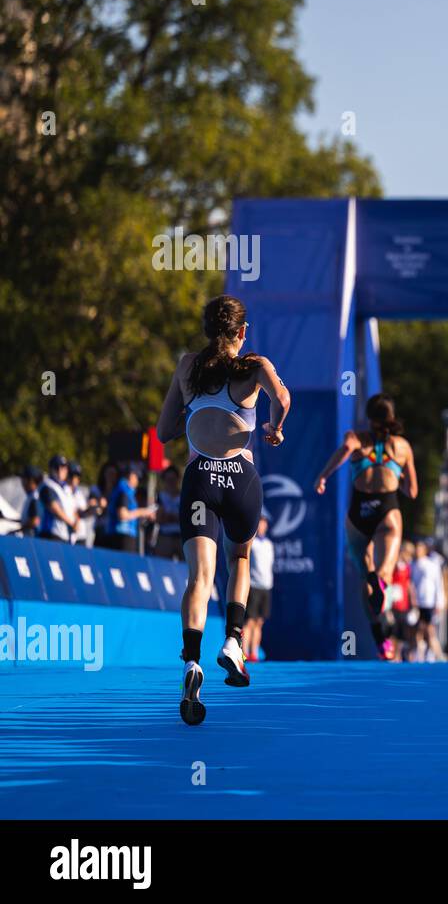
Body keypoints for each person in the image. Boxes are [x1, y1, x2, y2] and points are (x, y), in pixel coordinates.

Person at [156, 294, 291, 726]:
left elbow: (163, 432)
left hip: (199, 478)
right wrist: (273, 427)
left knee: (199, 577)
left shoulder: (187, 366)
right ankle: (234, 641)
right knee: (240, 560)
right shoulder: (253, 366)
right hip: (240, 479)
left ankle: (191, 663)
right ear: (242, 332)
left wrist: (196, 415)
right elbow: (284, 399)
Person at [314, 393, 418, 659]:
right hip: (388, 512)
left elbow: (345, 452)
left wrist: (323, 476)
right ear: (392, 417)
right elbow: (412, 492)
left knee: (366, 577)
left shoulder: (356, 438)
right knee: (384, 574)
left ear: (369, 418)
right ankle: (381, 585)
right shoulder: (402, 447)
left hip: (359, 514)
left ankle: (379, 637)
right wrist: (399, 473)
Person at [411, 541, 448, 662]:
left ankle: (438, 655)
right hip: (417, 603)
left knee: (429, 630)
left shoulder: (432, 565)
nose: (417, 551)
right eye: (415, 548)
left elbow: (438, 583)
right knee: (418, 631)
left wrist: (439, 601)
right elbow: (412, 584)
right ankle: (420, 657)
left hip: (429, 602)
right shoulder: (412, 565)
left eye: (419, 548)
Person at [245, 513, 274, 662]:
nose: (262, 525)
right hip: (254, 586)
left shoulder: (269, 544)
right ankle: (244, 653)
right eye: (260, 523)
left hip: (266, 587)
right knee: (249, 621)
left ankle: (254, 654)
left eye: (264, 523)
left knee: (259, 622)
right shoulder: (252, 543)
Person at [37, 455, 80, 543]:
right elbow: (54, 508)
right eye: (57, 467)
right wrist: (71, 523)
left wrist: (76, 522)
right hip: (50, 534)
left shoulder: (66, 489)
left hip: (65, 536)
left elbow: (74, 510)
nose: (61, 470)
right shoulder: (47, 485)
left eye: (64, 467)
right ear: (51, 468)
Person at [152, 464, 183, 559]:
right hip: (165, 536)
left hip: (181, 536)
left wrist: (171, 517)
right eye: (168, 479)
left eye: (173, 479)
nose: (171, 482)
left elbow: (187, 518)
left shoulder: (183, 496)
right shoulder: (160, 496)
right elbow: (158, 518)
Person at [66, 462, 94, 546]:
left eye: (77, 476)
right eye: (72, 475)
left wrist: (91, 507)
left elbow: (82, 512)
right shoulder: (63, 491)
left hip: (80, 535)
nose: (74, 479)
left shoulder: (79, 493)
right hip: (68, 534)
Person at [17, 466, 43, 537]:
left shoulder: (35, 497)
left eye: (23, 479)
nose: (22, 482)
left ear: (31, 480)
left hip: (34, 540)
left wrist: (18, 529)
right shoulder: (31, 496)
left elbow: (35, 521)